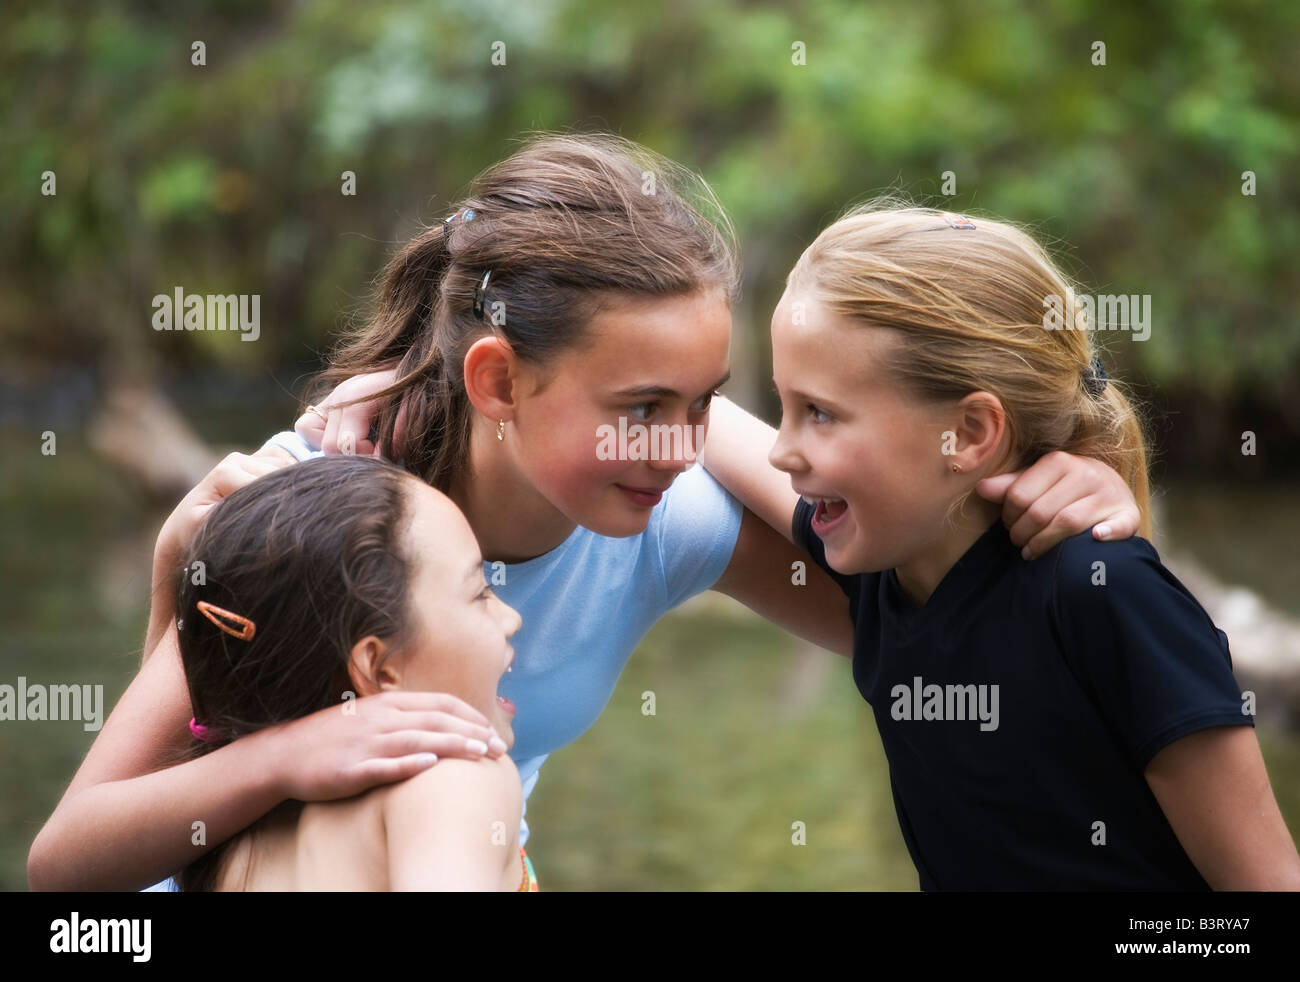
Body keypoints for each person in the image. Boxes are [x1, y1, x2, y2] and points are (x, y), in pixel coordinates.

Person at [28, 136, 1140, 892]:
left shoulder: (665, 517)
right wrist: (300, 752)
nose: (678, 442)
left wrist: (1082, 480)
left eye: (704, 403)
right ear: (499, 379)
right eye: (640, 407)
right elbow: (67, 864)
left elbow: (950, 627)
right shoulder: (320, 510)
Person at [706, 203, 1300, 889]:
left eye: (820, 414)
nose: (782, 451)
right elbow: (703, 420)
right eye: (783, 407)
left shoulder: (1102, 594)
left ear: (970, 433)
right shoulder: (881, 566)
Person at [173, 455, 532, 890]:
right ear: (379, 669)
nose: (510, 617)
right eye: (480, 593)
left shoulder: (222, 836)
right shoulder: (454, 779)